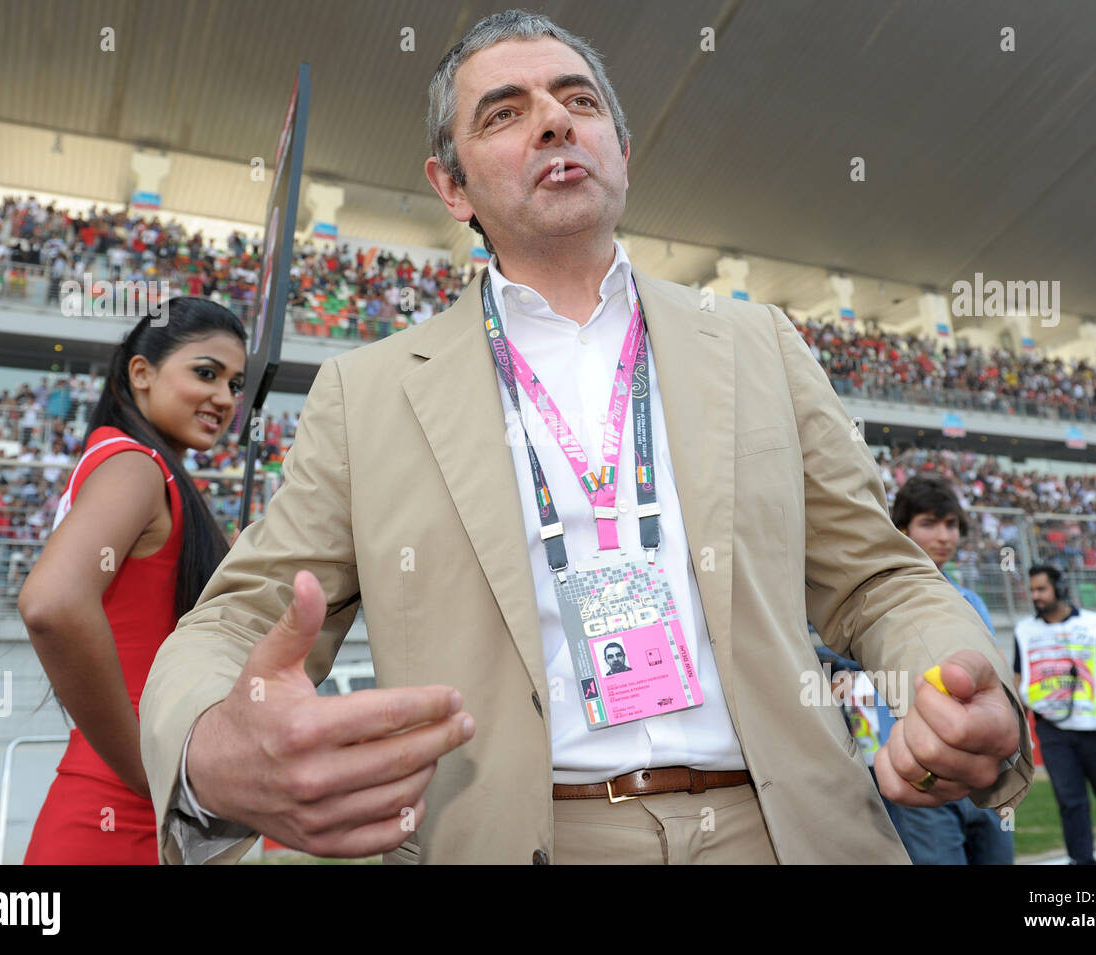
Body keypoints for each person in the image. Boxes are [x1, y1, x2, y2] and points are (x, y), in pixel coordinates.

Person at [141, 9, 1030, 866]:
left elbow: (879, 580)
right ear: (451, 187)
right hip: (517, 838)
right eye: (505, 113)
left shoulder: (762, 344)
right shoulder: (366, 394)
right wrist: (212, 741)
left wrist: (955, 672)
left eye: (580, 101)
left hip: (789, 829)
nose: (555, 121)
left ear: (622, 151)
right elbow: (237, 619)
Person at [18, 299, 250, 864]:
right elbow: (52, 603)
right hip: (117, 815)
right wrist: (147, 773)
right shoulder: (135, 468)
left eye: (236, 383)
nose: (224, 397)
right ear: (141, 373)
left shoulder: (149, 470)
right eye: (206, 373)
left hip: (138, 806)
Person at [877, 476, 1015, 864]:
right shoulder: (878, 604)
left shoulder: (971, 601)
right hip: (921, 779)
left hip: (985, 778)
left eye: (951, 524)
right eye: (929, 523)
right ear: (902, 530)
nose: (944, 535)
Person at [1013, 564, 1096, 865]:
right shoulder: (1024, 630)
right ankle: (1081, 861)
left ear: (1060, 588)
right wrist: (1015, 721)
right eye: (1032, 590)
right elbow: (1019, 678)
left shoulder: (1095, 623)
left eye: (1042, 589)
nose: (1036, 596)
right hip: (1052, 729)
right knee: (1070, 802)